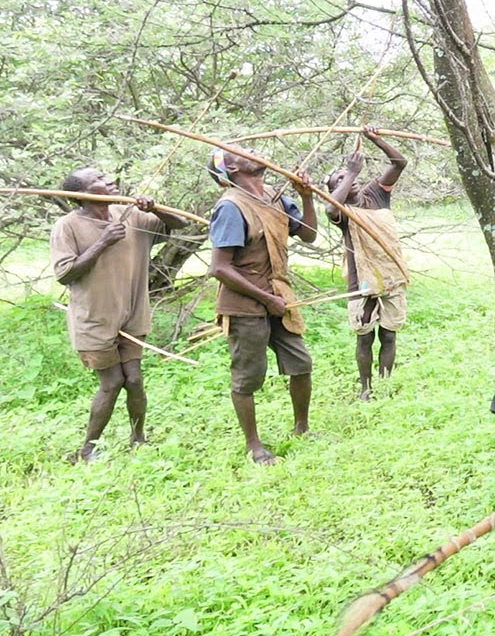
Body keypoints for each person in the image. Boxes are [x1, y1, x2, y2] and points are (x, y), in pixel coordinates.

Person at [50, 167, 188, 462]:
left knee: (135, 380)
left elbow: (180, 224)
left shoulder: (132, 214)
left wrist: (158, 209)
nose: (109, 181)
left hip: (133, 315)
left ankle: (138, 439)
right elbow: (65, 274)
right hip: (95, 319)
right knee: (112, 383)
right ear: (83, 195)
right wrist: (102, 243)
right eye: (98, 180)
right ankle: (88, 448)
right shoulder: (68, 226)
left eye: (106, 175)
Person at [207, 148, 318, 465]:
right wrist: (266, 298)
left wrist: (306, 196)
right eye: (243, 153)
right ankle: (254, 446)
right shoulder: (230, 206)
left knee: (301, 363)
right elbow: (220, 268)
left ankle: (302, 429)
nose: (254, 153)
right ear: (231, 167)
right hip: (246, 304)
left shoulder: (275, 195)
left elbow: (308, 235)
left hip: (279, 296)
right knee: (248, 377)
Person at [324, 126, 410, 401]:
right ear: (336, 188)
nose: (348, 180)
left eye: (346, 175)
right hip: (361, 282)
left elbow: (399, 163)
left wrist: (376, 139)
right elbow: (329, 209)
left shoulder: (376, 194)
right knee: (364, 337)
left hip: (391, 276)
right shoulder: (342, 211)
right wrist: (350, 172)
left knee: (389, 335)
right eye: (339, 179)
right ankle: (366, 388)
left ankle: (385, 384)